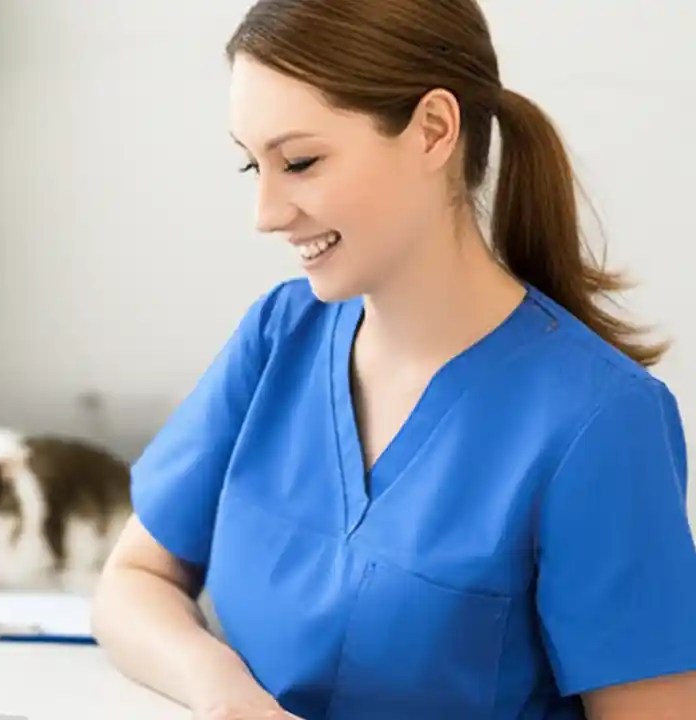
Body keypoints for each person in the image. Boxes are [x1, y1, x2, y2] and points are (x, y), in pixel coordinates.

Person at [90, 1, 696, 718]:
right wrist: (227, 697)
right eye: (253, 164)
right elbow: (134, 578)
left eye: (301, 161)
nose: (266, 211)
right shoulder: (279, 337)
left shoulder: (601, 421)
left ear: (434, 130)